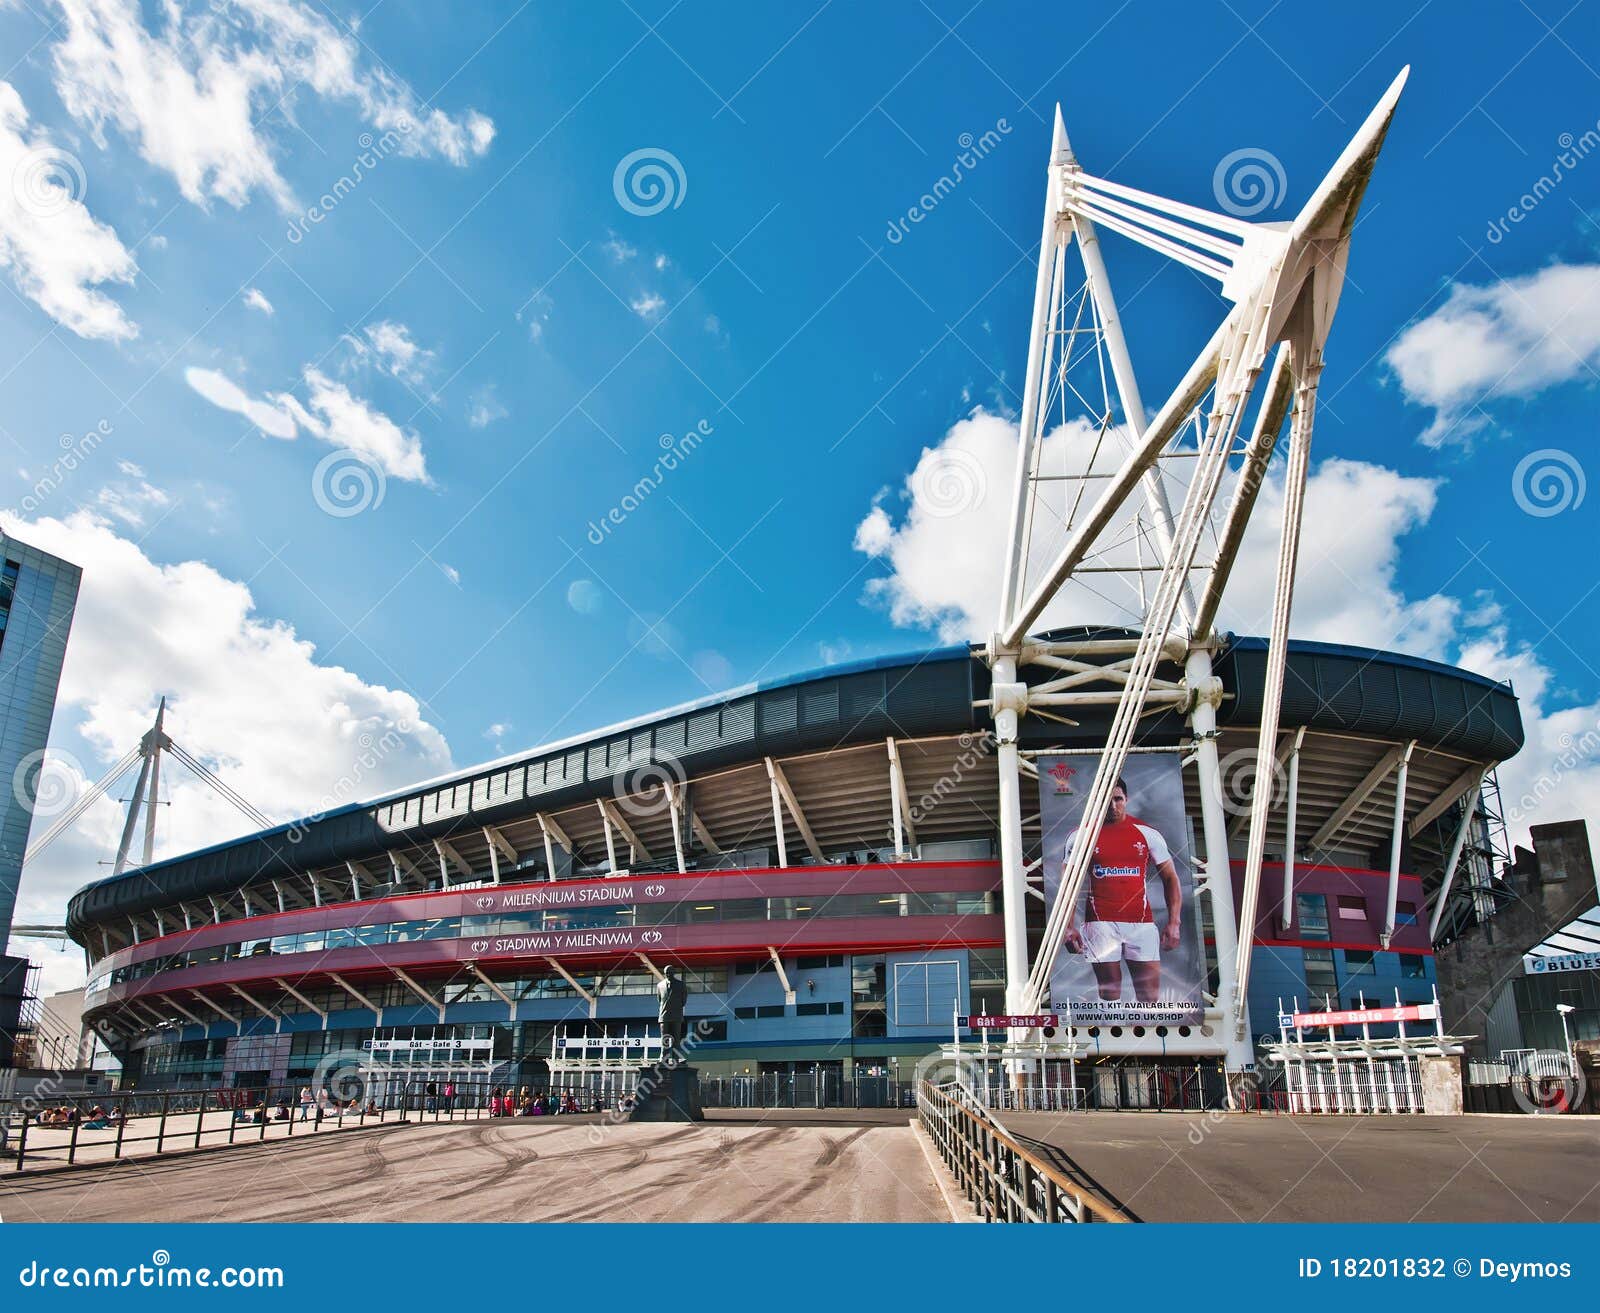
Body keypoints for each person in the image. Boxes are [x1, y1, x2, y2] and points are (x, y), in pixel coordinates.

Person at [1061, 777, 1183, 1004]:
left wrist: (1174, 923)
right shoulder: (1081, 836)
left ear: (1126, 799)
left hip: (1142, 923)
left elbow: (1170, 878)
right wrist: (1068, 927)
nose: (1112, 806)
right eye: (1106, 801)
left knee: (1149, 998)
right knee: (1110, 994)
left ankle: (1145, 1028)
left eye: (1118, 799)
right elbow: (1068, 885)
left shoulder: (1147, 833)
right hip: (1100, 924)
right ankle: (1110, 1027)